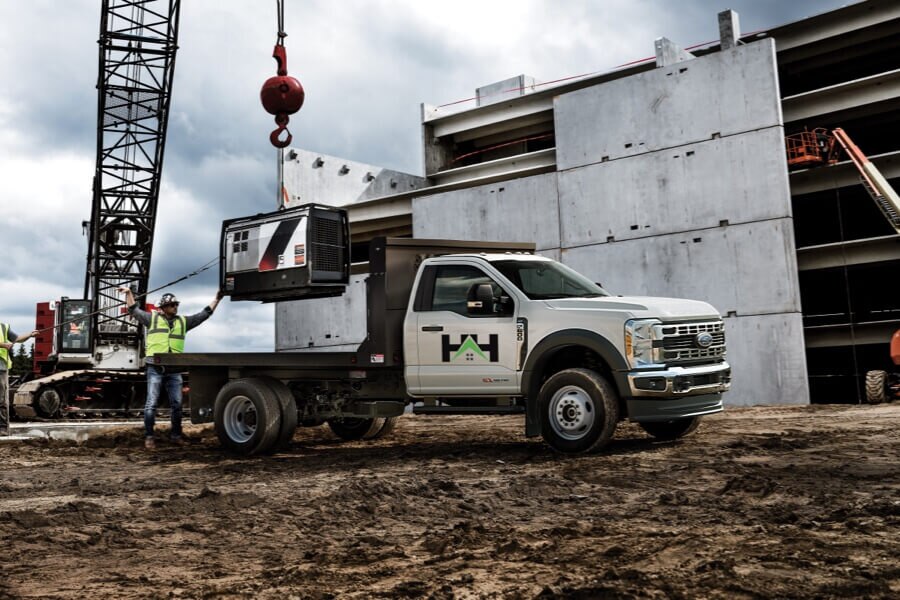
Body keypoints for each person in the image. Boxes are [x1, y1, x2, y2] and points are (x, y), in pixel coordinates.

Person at [118, 287, 223, 449]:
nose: (175, 307)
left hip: (174, 370)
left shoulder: (183, 322)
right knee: (151, 403)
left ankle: (176, 436)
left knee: (177, 405)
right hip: (155, 367)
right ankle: (149, 437)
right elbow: (134, 310)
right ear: (163, 308)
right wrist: (128, 293)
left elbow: (203, 315)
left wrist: (217, 299)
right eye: (172, 305)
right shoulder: (151, 319)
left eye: (176, 304)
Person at [0, 323, 40, 436]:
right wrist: (2, 345)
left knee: (1, 399)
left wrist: (30, 335)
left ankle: (2, 428)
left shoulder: (3, 327)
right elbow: (4, 344)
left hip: (1, 367)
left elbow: (17, 338)